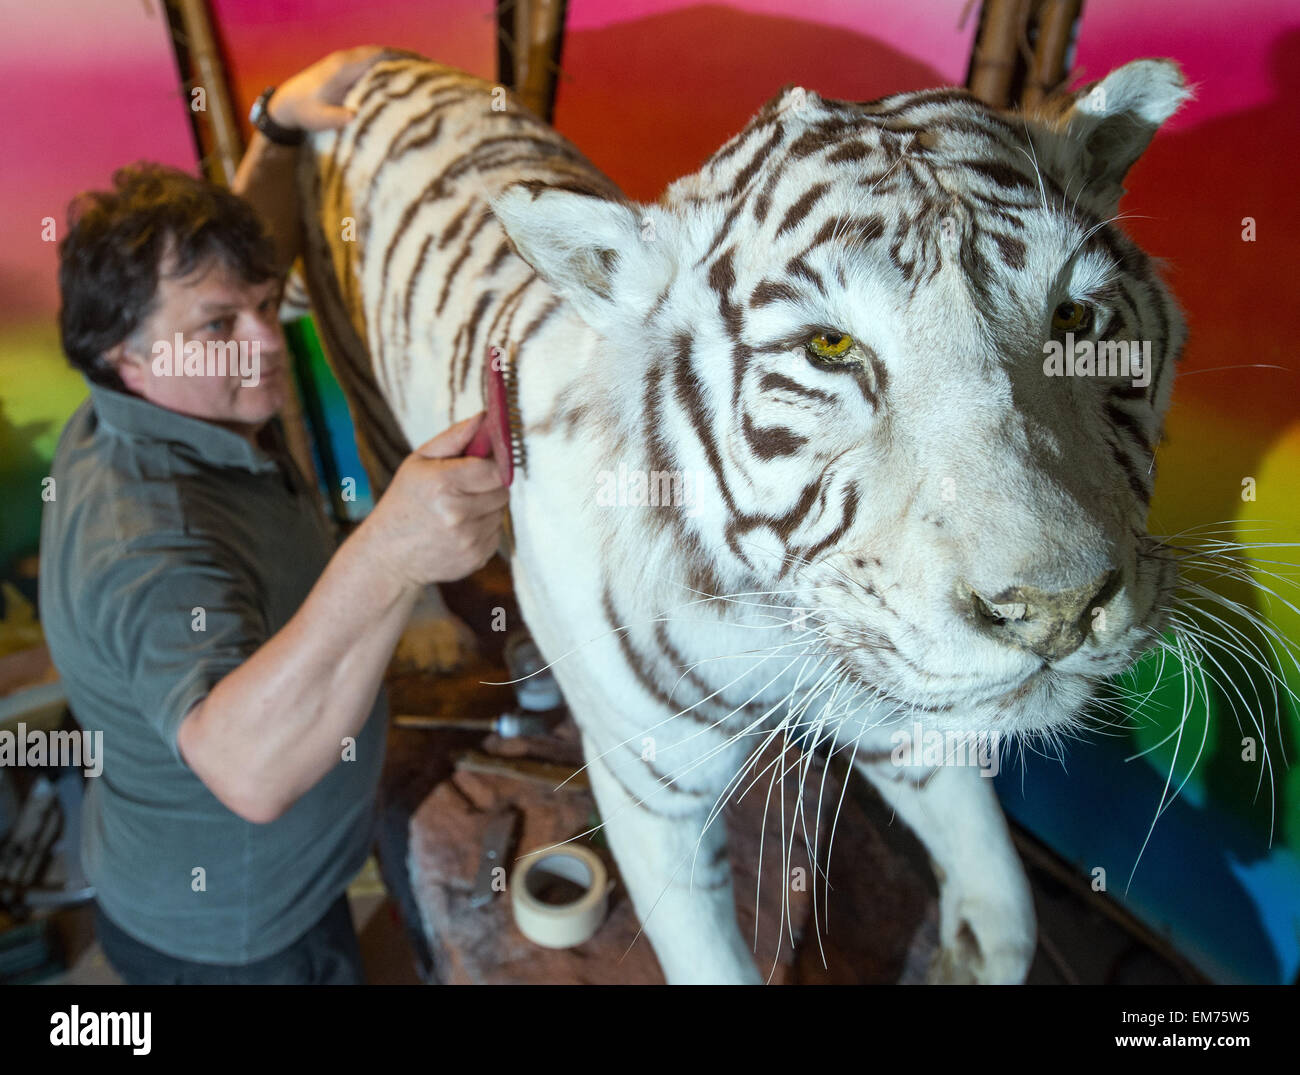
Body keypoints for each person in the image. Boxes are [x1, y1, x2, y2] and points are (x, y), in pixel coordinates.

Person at [38, 47, 508, 984]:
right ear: (123, 353)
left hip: (258, 889)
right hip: (235, 942)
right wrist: (391, 551)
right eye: (222, 326)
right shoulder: (147, 538)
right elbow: (247, 772)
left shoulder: (155, 391)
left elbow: (248, 257)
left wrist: (280, 128)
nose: (266, 344)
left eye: (264, 308)